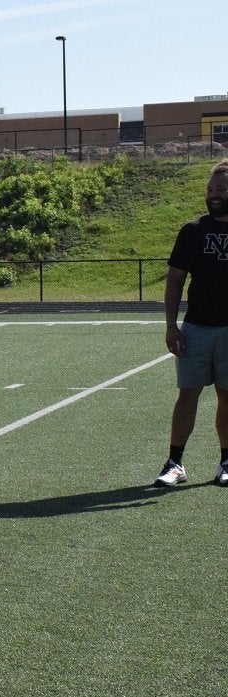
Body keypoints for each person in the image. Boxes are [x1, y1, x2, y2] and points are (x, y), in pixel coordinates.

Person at [154, 159, 228, 488]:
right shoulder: (192, 231)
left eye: (222, 189)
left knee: (227, 396)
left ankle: (226, 462)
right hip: (197, 327)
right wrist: (171, 326)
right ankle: (175, 463)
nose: (214, 195)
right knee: (188, 394)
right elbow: (174, 281)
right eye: (211, 189)